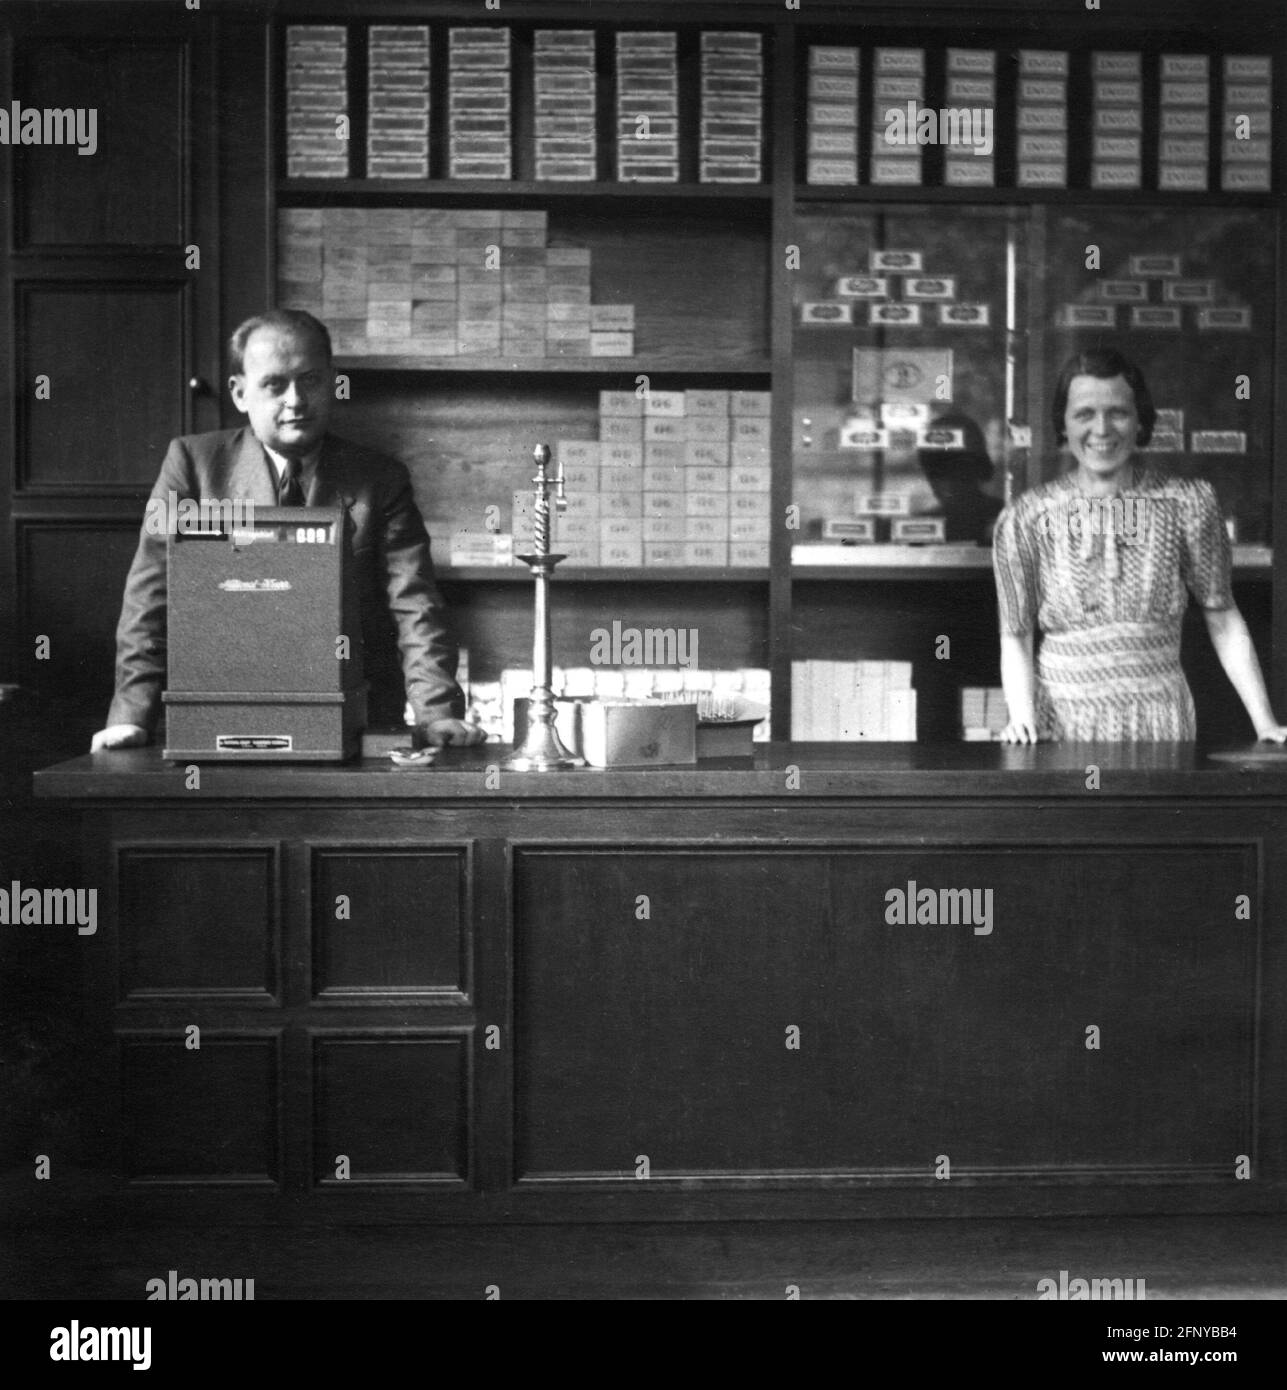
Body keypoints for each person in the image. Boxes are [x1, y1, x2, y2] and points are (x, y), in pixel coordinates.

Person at [91, 309, 484, 751]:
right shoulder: (192, 467)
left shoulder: (381, 479)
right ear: (240, 394)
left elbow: (414, 601)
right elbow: (150, 597)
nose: (296, 400)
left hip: (355, 723)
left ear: (333, 384)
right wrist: (132, 714)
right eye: (275, 385)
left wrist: (436, 713)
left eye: (310, 380)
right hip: (223, 717)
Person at [991, 346, 1287, 744]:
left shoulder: (1187, 504)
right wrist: (1022, 717)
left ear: (1140, 420)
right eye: (1084, 414)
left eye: (1117, 412)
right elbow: (1016, 632)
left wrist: (1265, 722)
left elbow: (1224, 617)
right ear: (1063, 422)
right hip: (1058, 723)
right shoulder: (1026, 517)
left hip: (1160, 722)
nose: (1101, 429)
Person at [917, 410, 1002, 543]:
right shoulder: (918, 528)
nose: (944, 481)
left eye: (957, 467)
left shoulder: (1005, 520)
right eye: (934, 469)